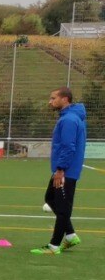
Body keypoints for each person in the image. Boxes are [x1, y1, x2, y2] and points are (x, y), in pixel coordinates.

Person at [34, 87, 87, 255]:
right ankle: (70, 236)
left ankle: (54, 246)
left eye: (53, 98)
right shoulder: (68, 117)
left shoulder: (69, 119)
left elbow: (69, 147)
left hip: (66, 170)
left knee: (63, 209)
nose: (50, 102)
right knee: (50, 198)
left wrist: (61, 169)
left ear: (65, 99)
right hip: (64, 169)